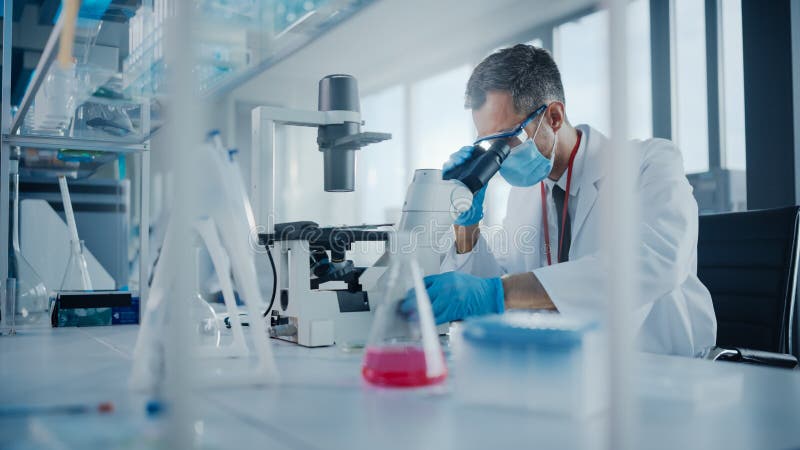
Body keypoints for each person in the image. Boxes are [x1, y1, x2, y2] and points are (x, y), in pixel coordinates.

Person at [421, 44, 717, 357]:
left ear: (554, 116)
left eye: (509, 139)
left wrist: (496, 293)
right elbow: (492, 289)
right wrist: (466, 222)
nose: (500, 155)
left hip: (657, 367)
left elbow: (654, 263)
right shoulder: (524, 193)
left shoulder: (649, 162)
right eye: (489, 143)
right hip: (565, 368)